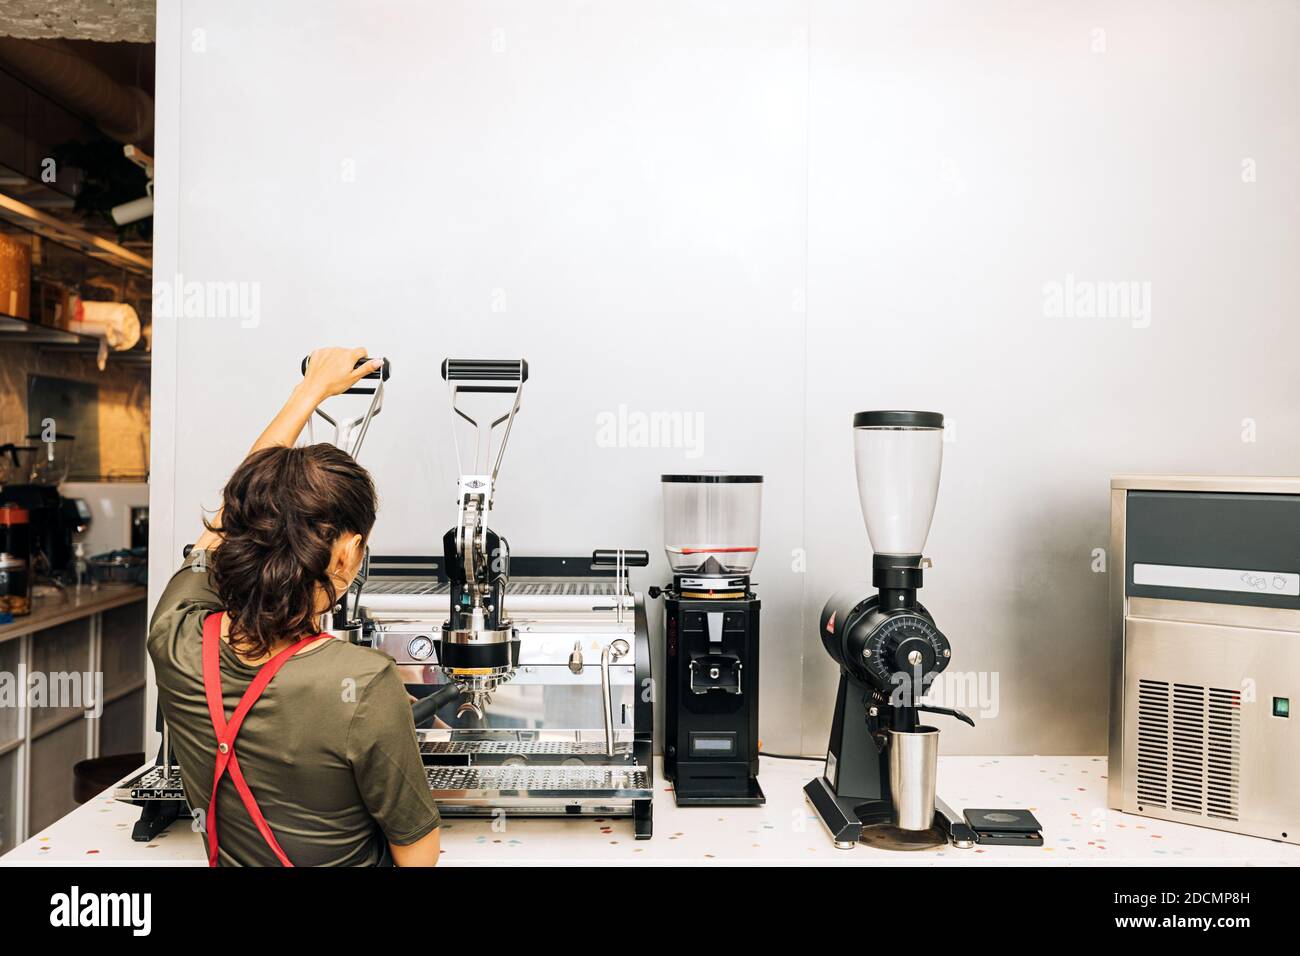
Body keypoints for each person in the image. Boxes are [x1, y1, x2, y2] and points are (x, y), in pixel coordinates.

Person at [148, 346, 441, 866]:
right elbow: (418, 856)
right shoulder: (367, 682)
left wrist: (309, 393)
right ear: (349, 552)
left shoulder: (175, 638)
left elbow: (223, 526)